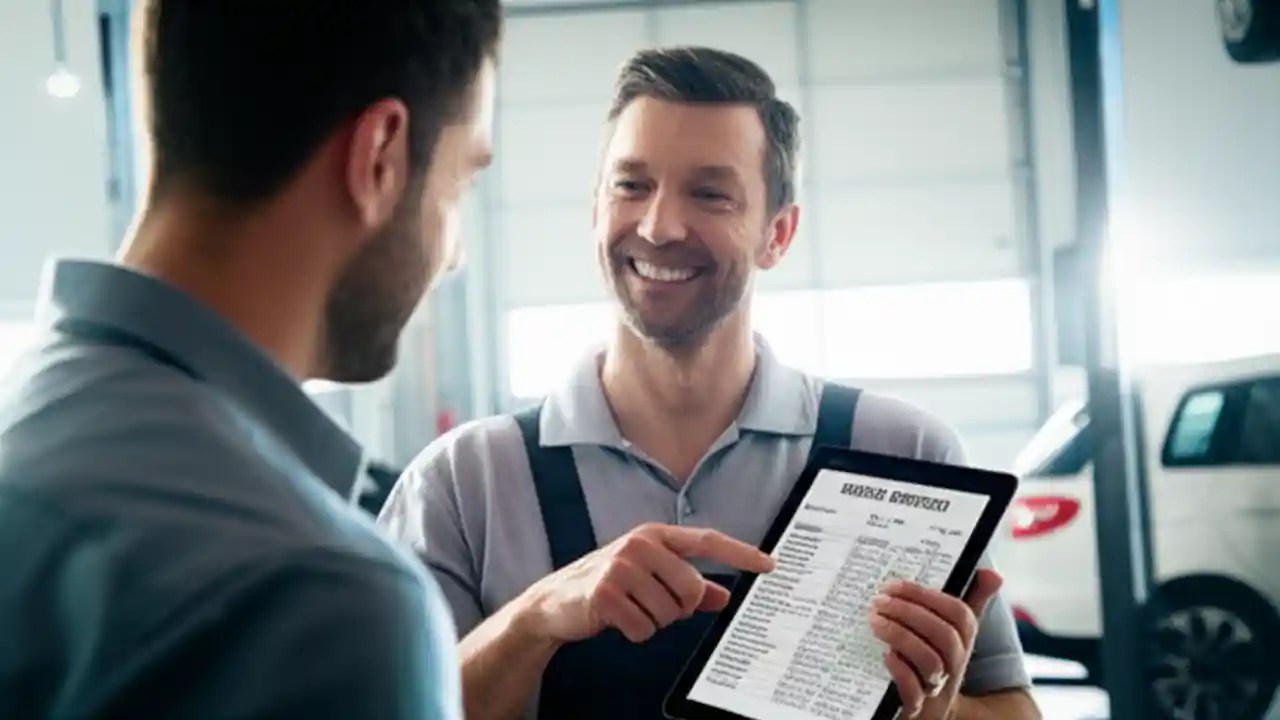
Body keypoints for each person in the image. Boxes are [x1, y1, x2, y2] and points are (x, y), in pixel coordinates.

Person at [379, 46, 1041, 720]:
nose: (659, 225)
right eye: (630, 185)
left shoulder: (906, 455)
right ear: (594, 208)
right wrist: (534, 619)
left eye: (709, 194)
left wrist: (936, 709)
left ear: (777, 234)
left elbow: (1013, 711)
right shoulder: (464, 483)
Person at [0, 1, 499, 717]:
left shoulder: (26, 427)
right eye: (460, 182)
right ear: (380, 157)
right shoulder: (321, 600)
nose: (453, 257)